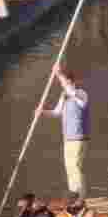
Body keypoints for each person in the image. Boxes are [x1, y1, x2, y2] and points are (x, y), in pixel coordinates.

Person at [42, 64, 89, 199]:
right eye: (65, 82)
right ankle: (73, 195)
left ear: (73, 82)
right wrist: (42, 112)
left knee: (75, 167)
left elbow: (72, 92)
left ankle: (80, 196)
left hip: (78, 138)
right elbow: (57, 112)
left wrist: (59, 74)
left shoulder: (81, 94)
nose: (66, 85)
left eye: (68, 82)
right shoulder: (64, 96)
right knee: (69, 168)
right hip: (67, 139)